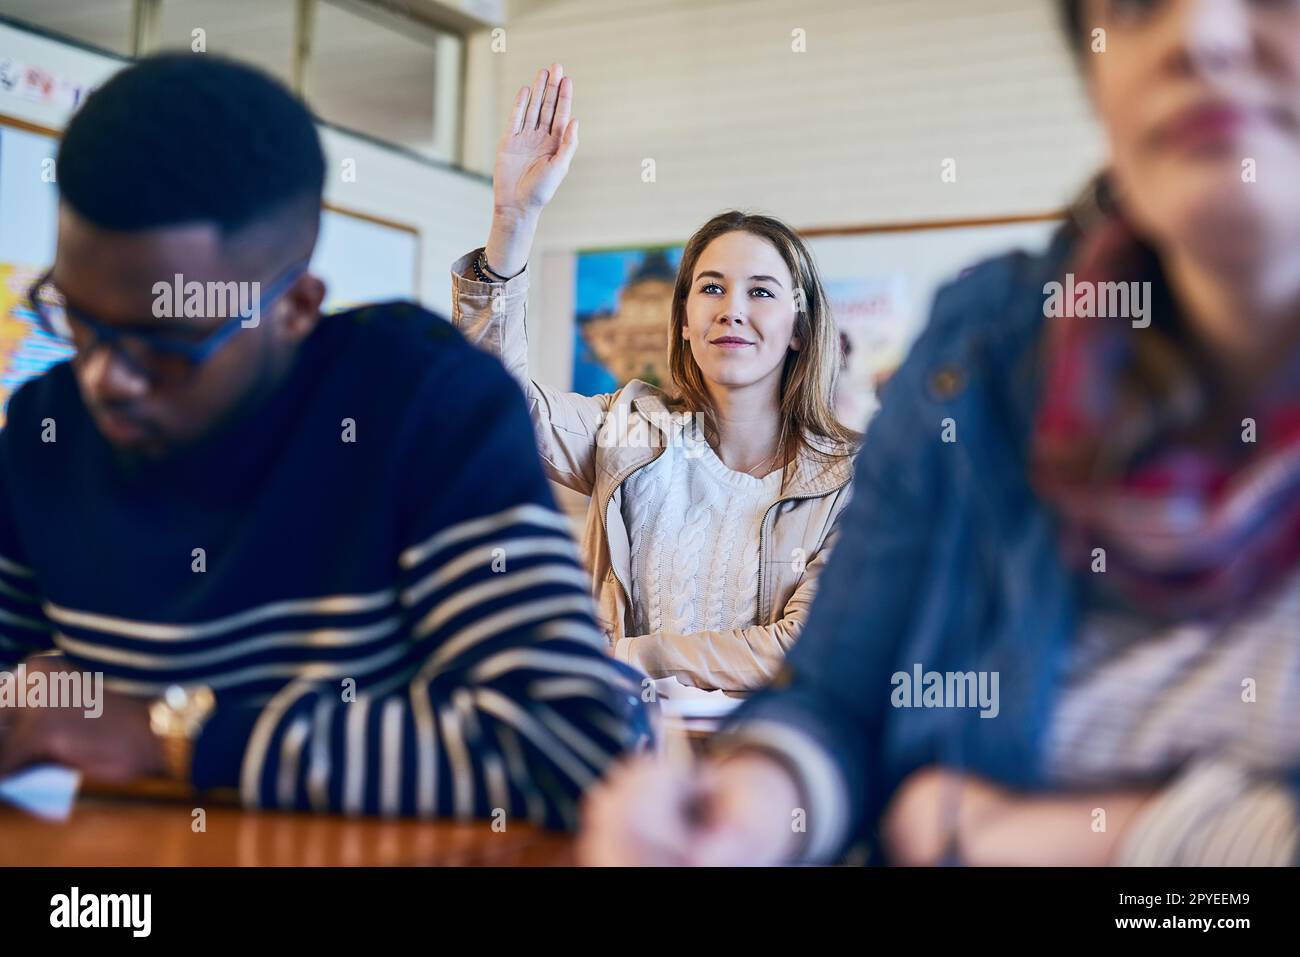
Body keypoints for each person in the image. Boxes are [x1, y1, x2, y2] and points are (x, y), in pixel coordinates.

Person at [579, 0, 1300, 865]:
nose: (1201, 34)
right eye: (1139, 5)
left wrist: (1003, 833)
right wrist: (751, 807)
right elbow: (841, 696)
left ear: (802, 326)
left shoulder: (836, 465)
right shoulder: (983, 346)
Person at [0, 53, 649, 829]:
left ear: (298, 306)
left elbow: (571, 747)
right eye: (78, 319)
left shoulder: (422, 410)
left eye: (165, 342)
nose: (109, 379)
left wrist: (169, 734)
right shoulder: (47, 429)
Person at [450, 64, 859, 693]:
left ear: (800, 329)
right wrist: (514, 217)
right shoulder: (626, 433)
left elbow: (806, 648)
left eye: (762, 291)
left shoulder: (848, 478)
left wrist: (640, 657)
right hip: (626, 762)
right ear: (687, 322)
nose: (732, 309)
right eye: (711, 288)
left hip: (767, 775)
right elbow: (489, 406)